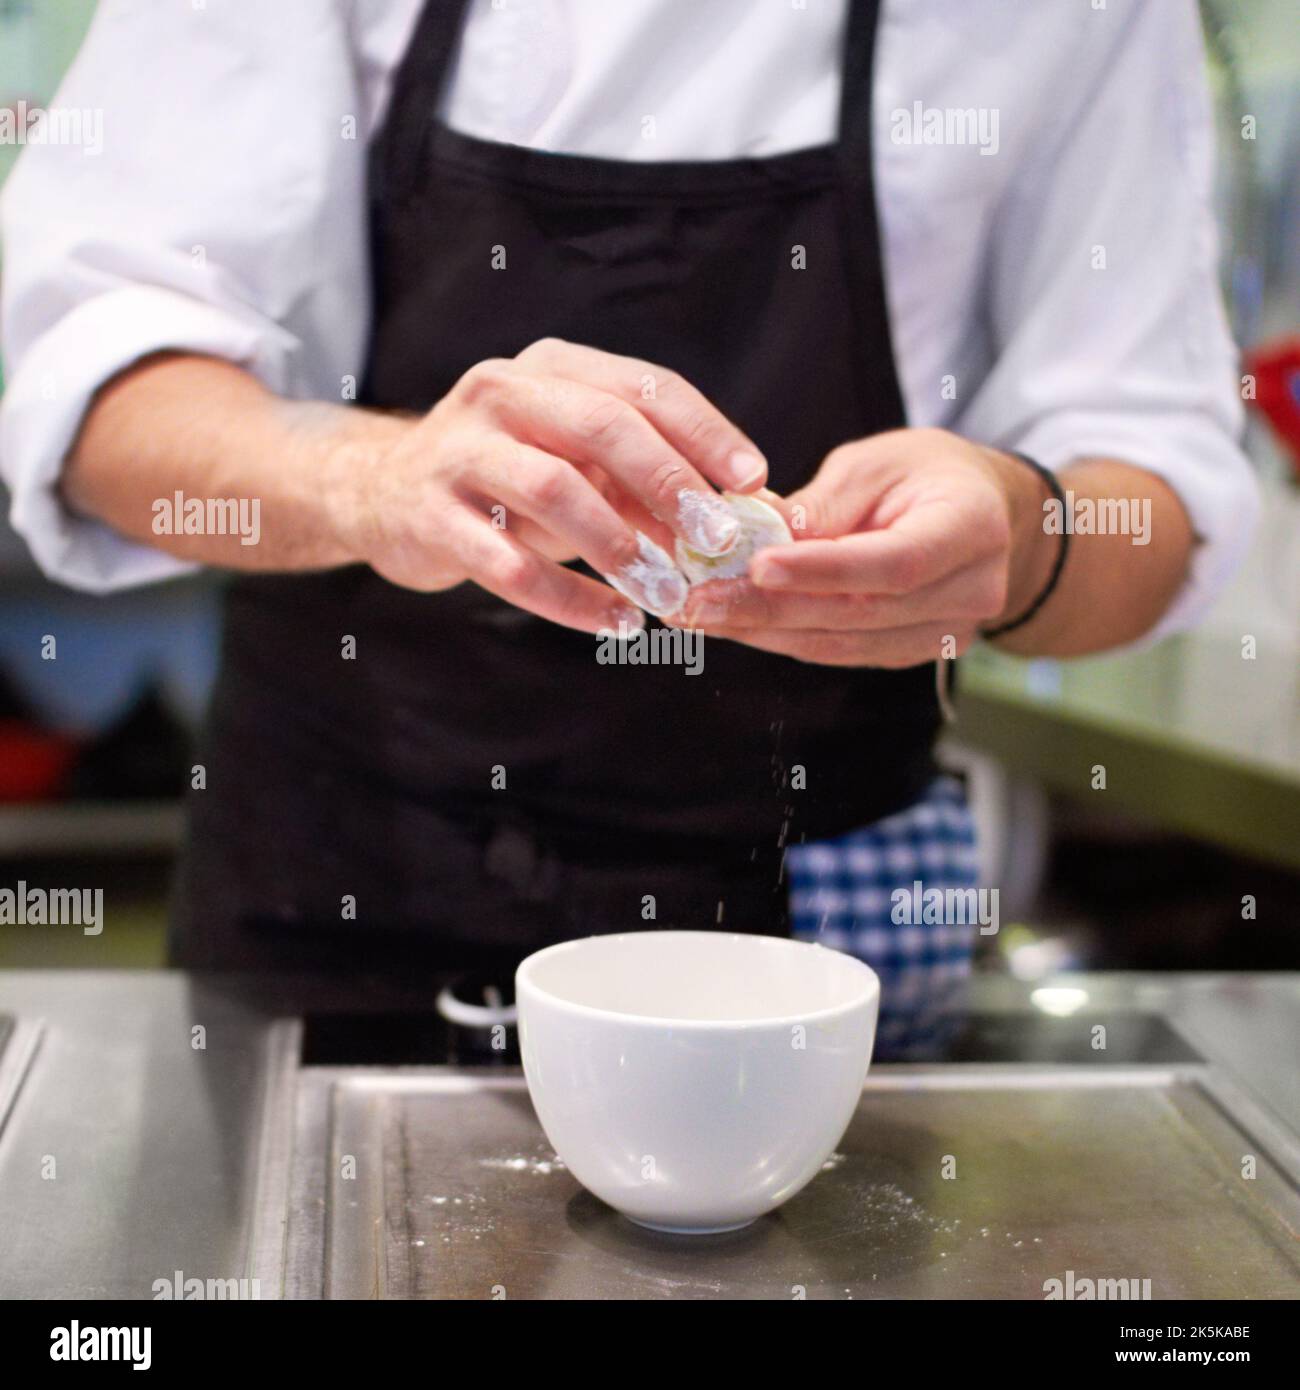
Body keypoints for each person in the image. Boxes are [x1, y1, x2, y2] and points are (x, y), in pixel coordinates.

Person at [0, 1, 1257, 1050]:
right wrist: (376, 480)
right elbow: (96, 395)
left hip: (811, 926)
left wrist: (1022, 534)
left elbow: (1151, 493)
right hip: (340, 891)